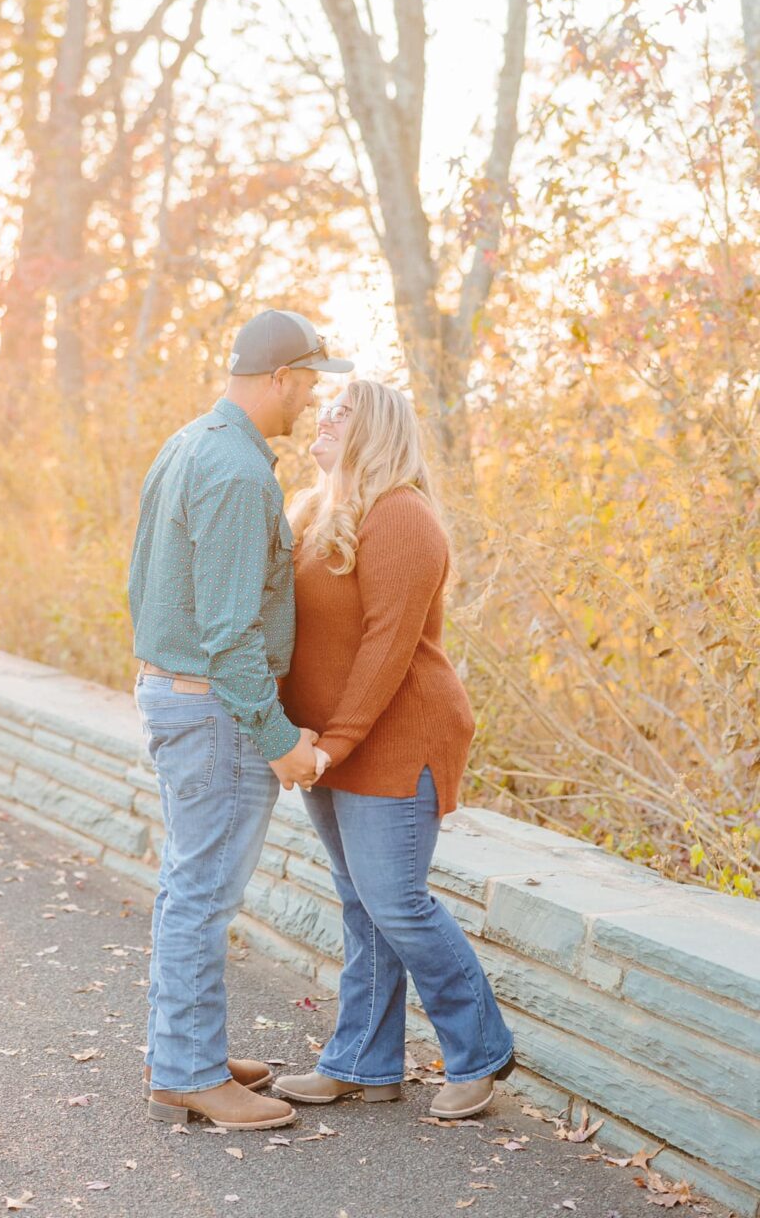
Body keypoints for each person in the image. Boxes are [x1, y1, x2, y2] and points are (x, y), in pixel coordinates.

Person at [128, 309, 353, 1130]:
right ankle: (188, 1073)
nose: (313, 398)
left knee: (187, 885)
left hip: (177, 693)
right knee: (202, 894)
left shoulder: (190, 443)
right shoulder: (235, 472)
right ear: (280, 377)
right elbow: (229, 634)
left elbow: (144, 585)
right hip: (214, 710)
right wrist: (278, 739)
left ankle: (181, 1051)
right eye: (310, 382)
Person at [272, 380, 515, 1118]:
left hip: (396, 736)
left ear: (376, 431)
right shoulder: (316, 512)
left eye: (342, 412)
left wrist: (336, 742)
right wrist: (291, 733)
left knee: (396, 903)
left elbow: (387, 645)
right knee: (362, 903)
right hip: (331, 743)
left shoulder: (402, 516)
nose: (323, 417)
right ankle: (363, 1062)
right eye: (325, 407)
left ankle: (480, 1051)